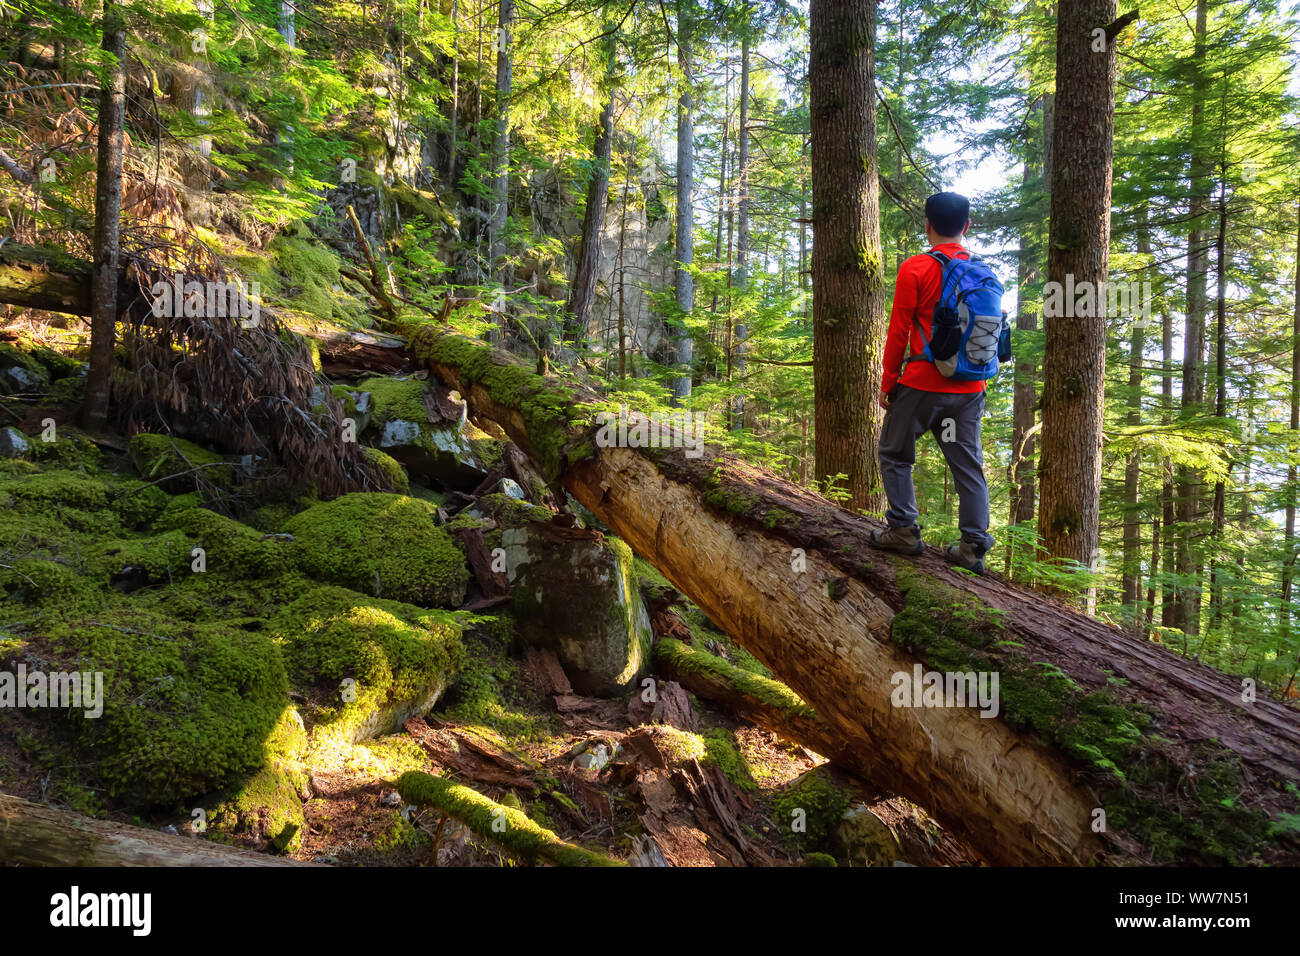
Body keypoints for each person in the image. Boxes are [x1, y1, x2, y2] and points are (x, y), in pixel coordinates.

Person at [868, 191, 995, 574]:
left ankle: (904, 529)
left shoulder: (916, 268)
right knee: (967, 466)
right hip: (970, 390)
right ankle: (973, 546)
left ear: (927, 225)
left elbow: (898, 332)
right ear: (966, 227)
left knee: (894, 452)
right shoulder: (984, 270)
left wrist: (888, 383)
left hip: (923, 385)